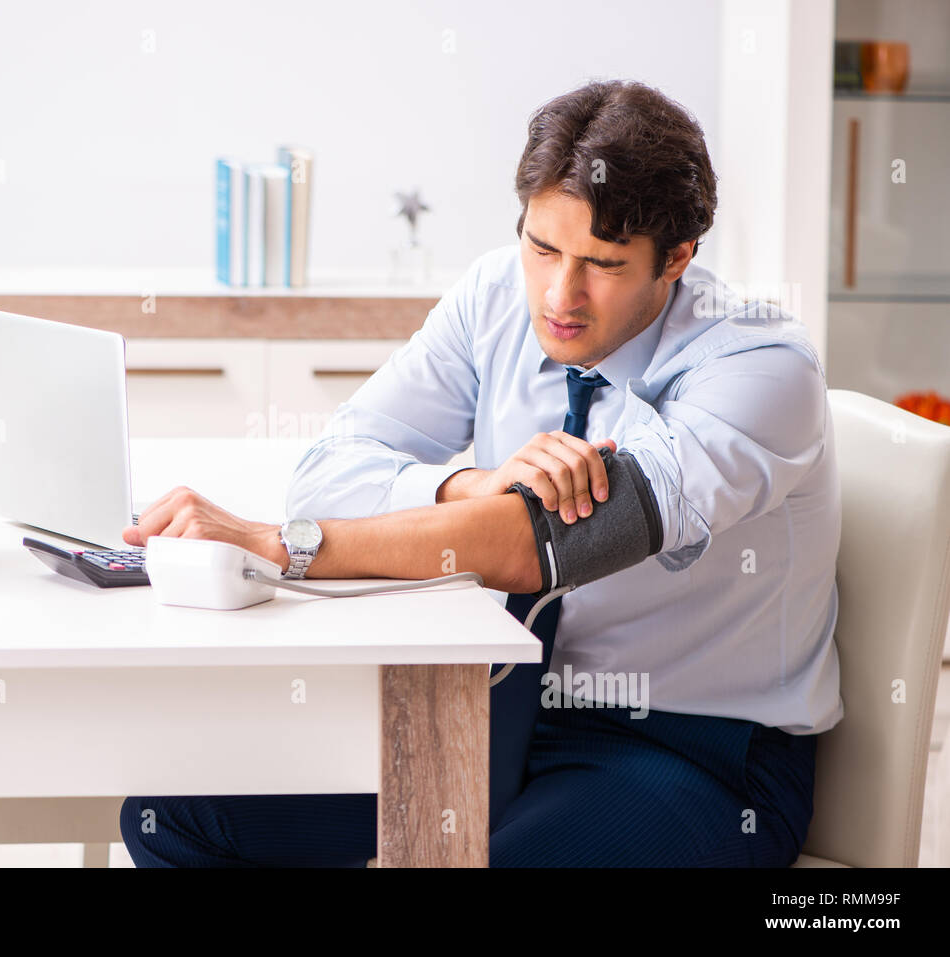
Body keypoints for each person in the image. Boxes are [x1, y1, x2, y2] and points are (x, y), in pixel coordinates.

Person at [118, 79, 840, 867]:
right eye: (542, 247)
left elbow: (543, 545)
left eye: (601, 263)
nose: (560, 294)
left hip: (689, 748)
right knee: (176, 815)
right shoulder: (496, 296)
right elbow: (327, 470)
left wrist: (281, 544)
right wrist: (470, 485)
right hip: (492, 709)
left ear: (676, 257)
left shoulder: (760, 365)